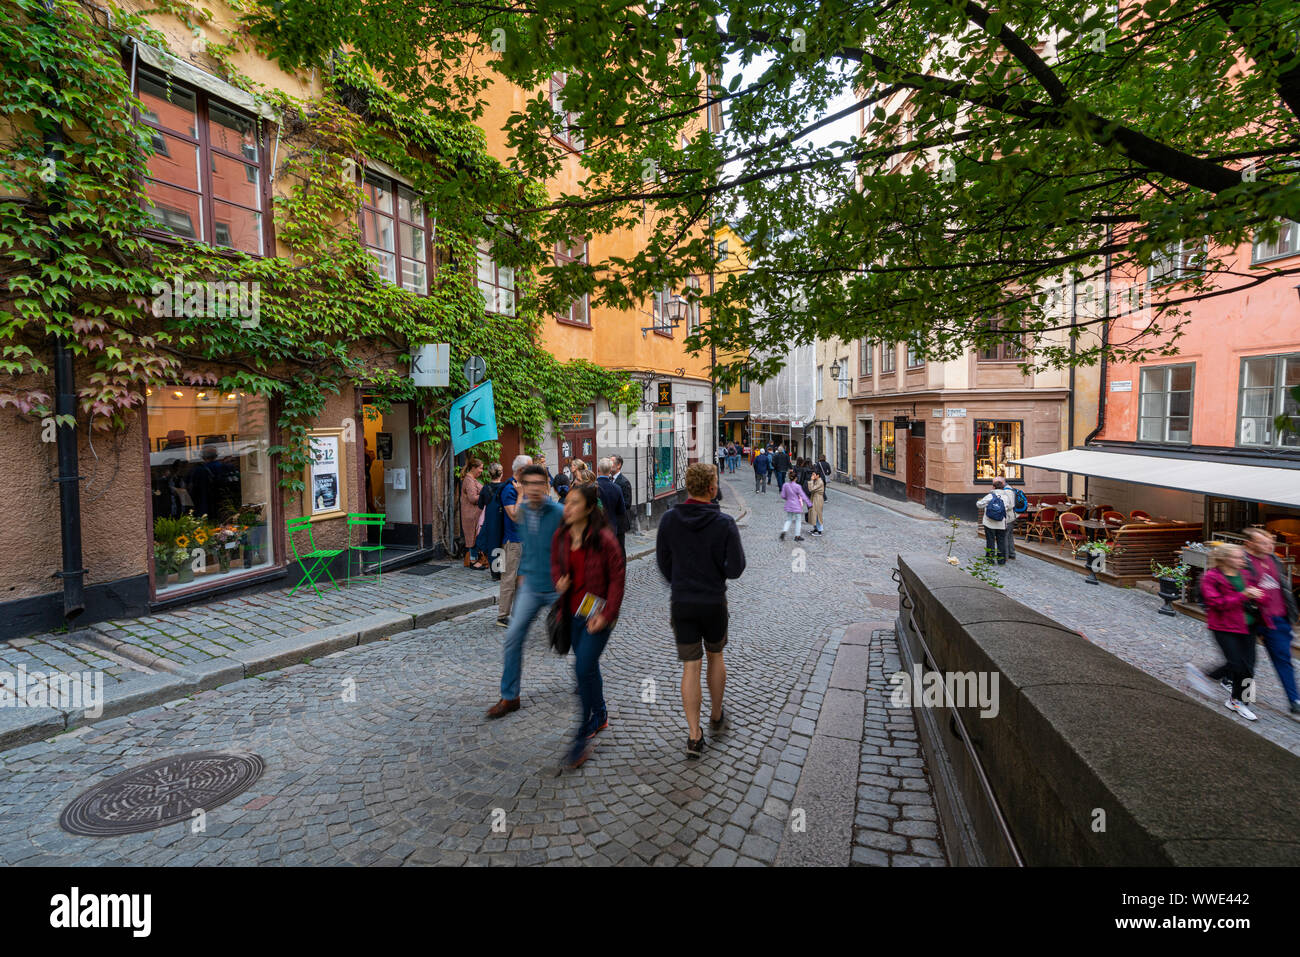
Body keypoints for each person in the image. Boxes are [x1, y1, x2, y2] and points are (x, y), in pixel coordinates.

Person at [656, 462, 746, 759]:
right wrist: (714, 570)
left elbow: (664, 563)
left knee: (690, 666)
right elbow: (735, 569)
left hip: (682, 602)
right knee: (716, 656)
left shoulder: (669, 520)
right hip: (713, 602)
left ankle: (694, 736)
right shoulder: (724, 524)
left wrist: (681, 581)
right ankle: (717, 715)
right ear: (711, 488)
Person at [552, 483, 626, 769]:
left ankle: (582, 735)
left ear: (588, 508)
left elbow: (617, 579)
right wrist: (558, 580)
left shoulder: (604, 539)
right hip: (571, 613)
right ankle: (601, 712)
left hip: (598, 616)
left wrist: (607, 614)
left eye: (573, 503)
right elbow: (555, 564)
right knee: (588, 665)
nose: (566, 508)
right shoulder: (561, 535)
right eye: (566, 502)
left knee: (582, 667)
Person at [486, 465, 566, 720]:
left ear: (546, 486)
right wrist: (523, 576)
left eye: (537, 483)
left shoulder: (559, 513)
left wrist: (569, 575)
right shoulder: (522, 512)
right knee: (512, 638)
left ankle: (593, 699)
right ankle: (510, 696)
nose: (532, 488)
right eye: (527, 483)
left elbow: (577, 544)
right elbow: (529, 547)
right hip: (531, 586)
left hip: (558, 587)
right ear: (522, 485)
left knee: (585, 640)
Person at [1186, 544, 1263, 721]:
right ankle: (1205, 675)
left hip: (1247, 626)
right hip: (1223, 626)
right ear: (1225, 559)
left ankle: (1240, 702)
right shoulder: (1211, 577)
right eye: (1237, 557)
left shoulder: (1245, 574)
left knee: (1250, 666)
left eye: (1241, 557)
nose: (1242, 560)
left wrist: (1258, 596)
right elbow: (1216, 603)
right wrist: (1244, 594)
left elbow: (1255, 594)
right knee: (1235, 663)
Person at [1244, 528, 1300, 719]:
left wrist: (1290, 615)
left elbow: (1284, 587)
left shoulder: (1274, 560)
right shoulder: (1242, 560)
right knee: (1245, 661)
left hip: (1277, 619)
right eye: (1262, 543)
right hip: (1252, 618)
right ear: (1250, 544)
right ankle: (1243, 699)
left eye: (1270, 543)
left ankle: (1294, 701)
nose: (1268, 547)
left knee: (1283, 659)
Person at [496, 454, 531, 625]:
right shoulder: (510, 489)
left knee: (522, 579)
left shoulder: (522, 486)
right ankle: (503, 616)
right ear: (522, 470)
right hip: (512, 541)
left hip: (524, 540)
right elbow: (515, 516)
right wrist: (520, 495)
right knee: (508, 578)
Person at [476, 463, 507, 582]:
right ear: (501, 473)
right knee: (502, 544)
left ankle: (495, 573)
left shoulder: (485, 488)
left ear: (489, 474)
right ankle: (502, 570)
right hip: (503, 518)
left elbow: (480, 506)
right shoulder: (505, 487)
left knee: (492, 544)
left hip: (491, 519)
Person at [975, 478, 1016, 566]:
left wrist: (987, 504)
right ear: (1002, 487)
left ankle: (990, 560)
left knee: (990, 541)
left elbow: (979, 504)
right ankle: (1001, 561)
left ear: (993, 487)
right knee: (1001, 542)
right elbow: (1008, 507)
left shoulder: (990, 496)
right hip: (1001, 523)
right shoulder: (1005, 497)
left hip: (989, 523)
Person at [595, 457, 629, 554]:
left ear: (598, 470)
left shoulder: (592, 487)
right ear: (610, 470)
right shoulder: (617, 488)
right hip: (611, 527)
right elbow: (621, 510)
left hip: (596, 527)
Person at [459, 458, 486, 568]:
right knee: (473, 537)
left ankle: (475, 558)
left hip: (474, 514)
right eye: (480, 468)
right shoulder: (469, 480)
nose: (482, 471)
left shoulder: (472, 479)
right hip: (471, 514)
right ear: (474, 468)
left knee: (475, 536)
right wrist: (485, 494)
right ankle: (473, 561)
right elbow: (473, 498)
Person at [780, 470, 812, 541]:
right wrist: (809, 503)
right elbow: (803, 496)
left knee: (789, 519)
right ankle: (797, 536)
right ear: (796, 478)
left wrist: (788, 498)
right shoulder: (798, 486)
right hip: (796, 506)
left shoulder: (785, 485)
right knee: (798, 520)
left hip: (789, 505)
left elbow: (783, 495)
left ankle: (784, 531)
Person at [612, 455, 634, 536]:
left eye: (612, 463)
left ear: (619, 465)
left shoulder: (624, 482)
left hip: (619, 522)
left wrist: (612, 505)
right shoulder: (609, 479)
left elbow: (627, 503)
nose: (609, 465)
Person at [807, 465, 825, 535]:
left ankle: (819, 531)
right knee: (813, 514)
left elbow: (811, 489)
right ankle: (815, 528)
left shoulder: (820, 482)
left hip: (818, 499)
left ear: (818, 475)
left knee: (817, 514)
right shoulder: (816, 480)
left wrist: (811, 480)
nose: (813, 476)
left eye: (814, 475)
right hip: (814, 498)